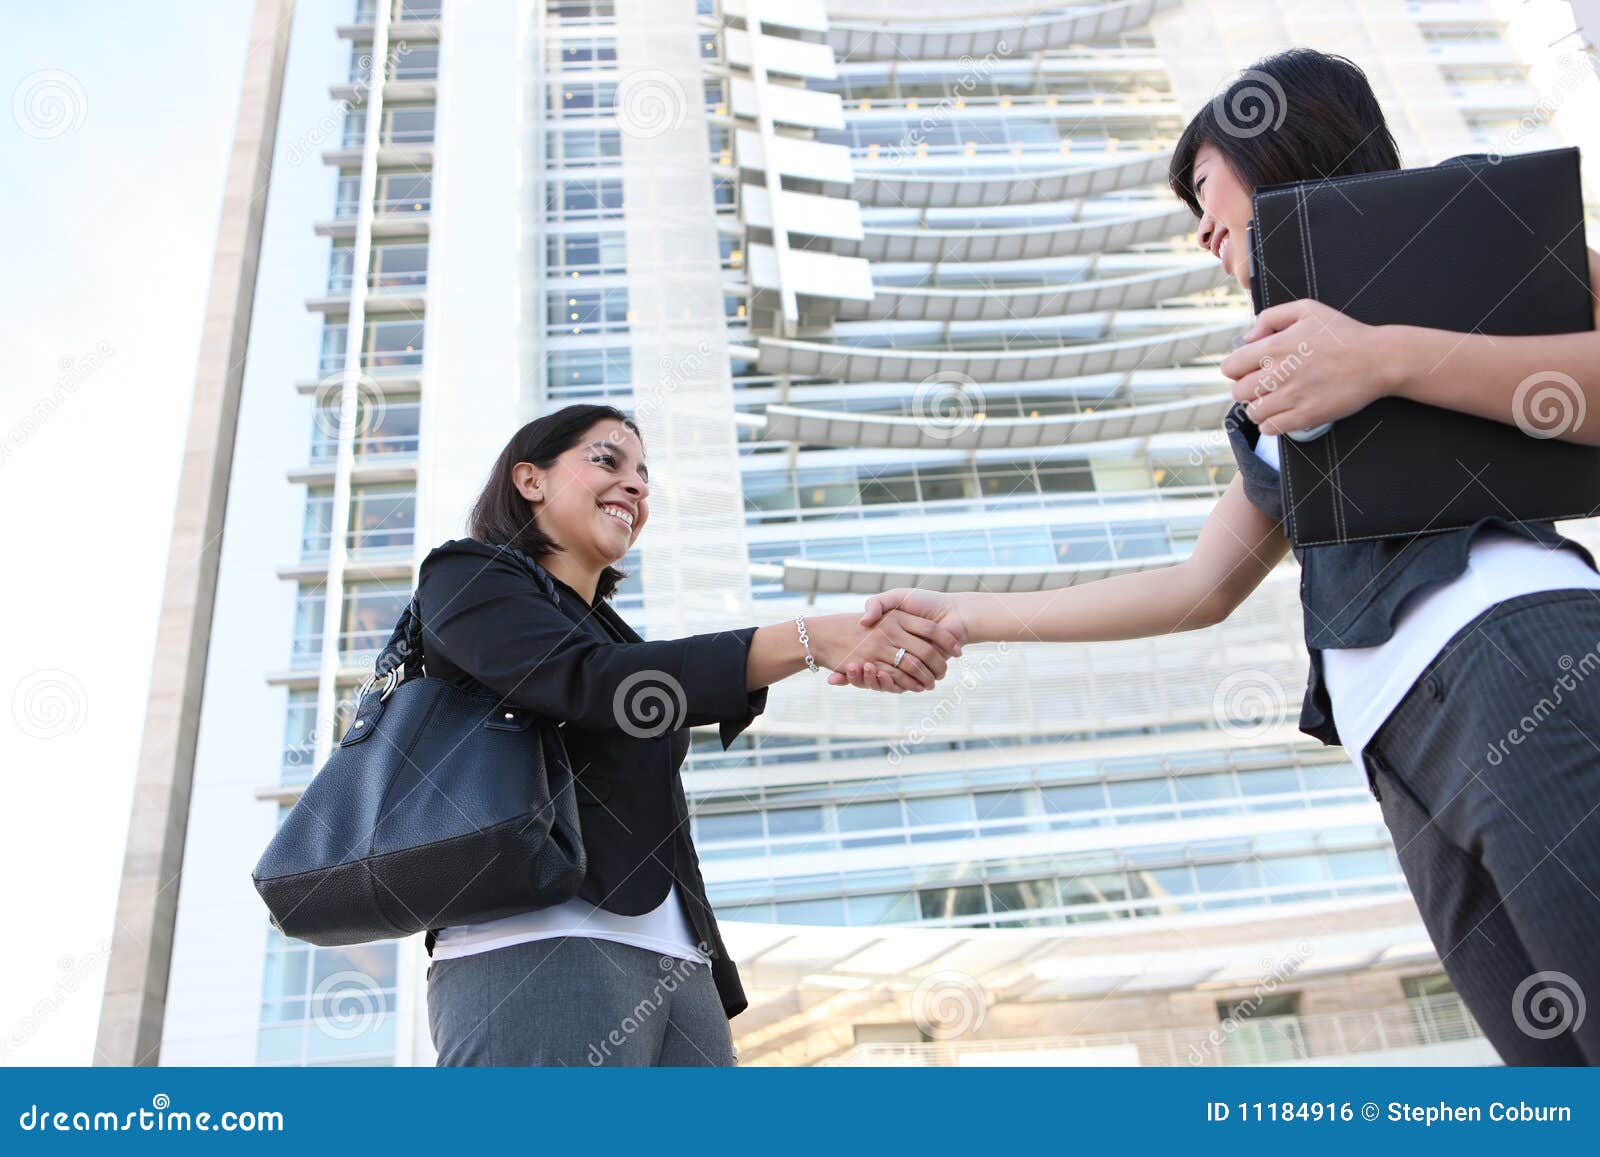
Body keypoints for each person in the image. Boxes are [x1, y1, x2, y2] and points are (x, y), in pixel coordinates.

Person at [836, 49, 1600, 1065]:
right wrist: (963, 614)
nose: (1199, 228)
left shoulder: (1467, 240)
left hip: (1513, 656)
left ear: (1277, 143)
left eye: (1205, 188)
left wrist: (1387, 357)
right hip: (1400, 750)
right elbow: (1196, 586)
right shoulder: (1285, 384)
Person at [421, 403, 962, 1066]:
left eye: (644, 475)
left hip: (680, 963)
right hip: (533, 946)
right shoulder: (465, 578)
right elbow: (585, 679)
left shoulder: (621, 639)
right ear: (530, 480)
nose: (636, 486)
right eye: (607, 460)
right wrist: (807, 639)